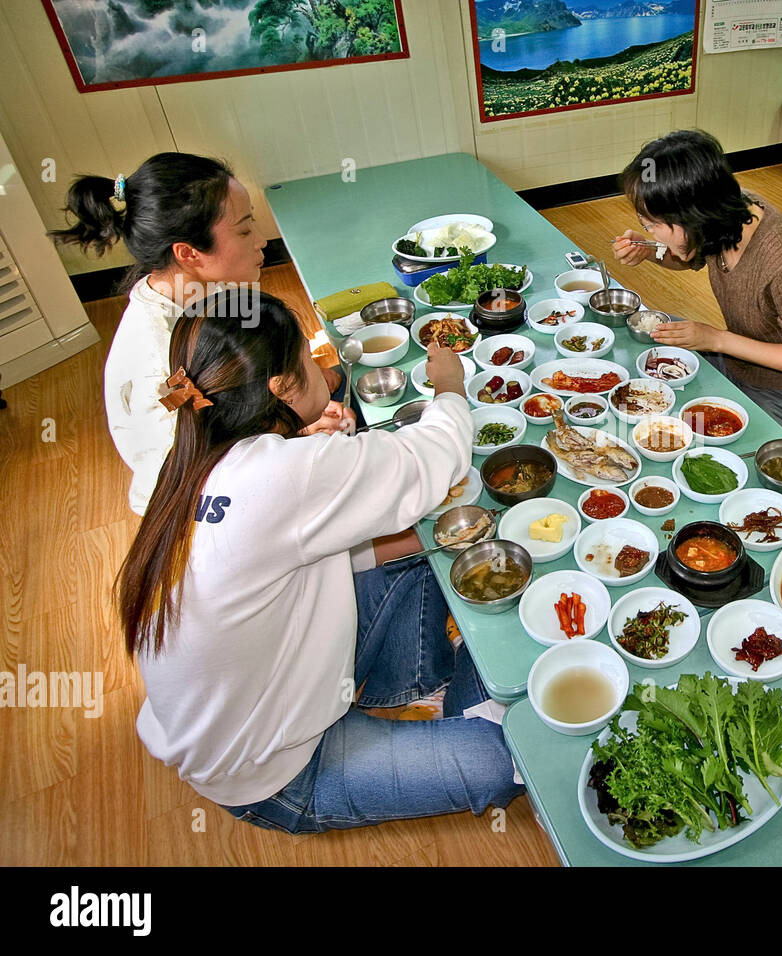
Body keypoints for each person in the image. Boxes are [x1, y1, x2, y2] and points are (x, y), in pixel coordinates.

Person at [117, 288, 521, 831]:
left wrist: (428, 541)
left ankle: (422, 681)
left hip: (272, 695)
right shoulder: (280, 474)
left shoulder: (196, 454)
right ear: (280, 386)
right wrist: (450, 385)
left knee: (421, 542)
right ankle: (464, 694)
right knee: (503, 759)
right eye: (308, 359)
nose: (322, 369)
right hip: (274, 774)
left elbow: (303, 555)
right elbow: (435, 458)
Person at [50, 152, 353, 516]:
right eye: (244, 230)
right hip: (206, 505)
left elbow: (252, 374)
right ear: (189, 253)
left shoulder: (205, 291)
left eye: (252, 222)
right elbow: (211, 469)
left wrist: (319, 383)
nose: (261, 241)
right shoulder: (161, 366)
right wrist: (297, 432)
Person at [612, 130, 782, 438]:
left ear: (693, 216)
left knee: (693, 445)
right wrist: (649, 250)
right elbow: (693, 254)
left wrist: (716, 340)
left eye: (654, 224)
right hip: (733, 361)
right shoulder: (724, 215)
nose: (649, 230)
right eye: (644, 222)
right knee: (648, 347)